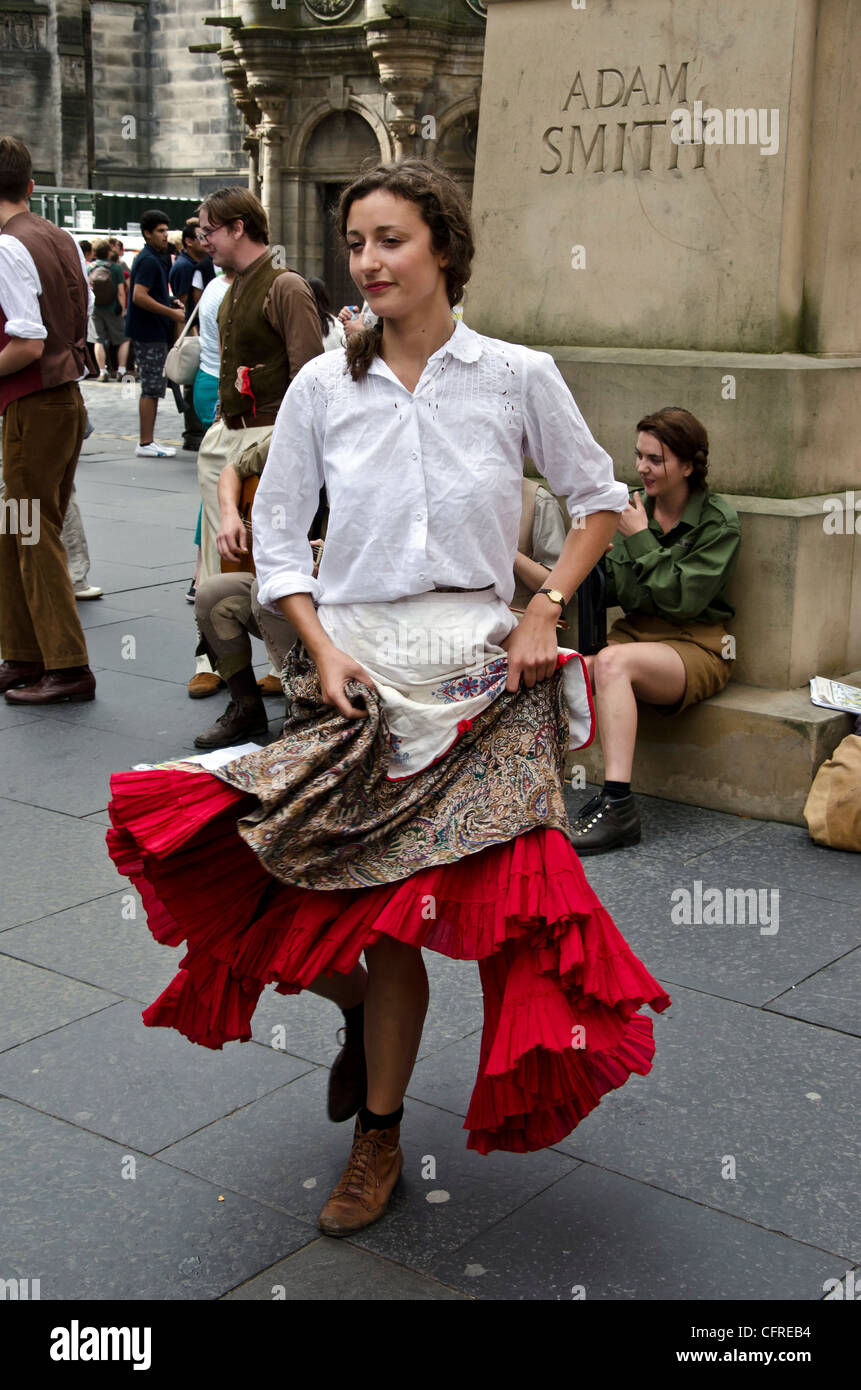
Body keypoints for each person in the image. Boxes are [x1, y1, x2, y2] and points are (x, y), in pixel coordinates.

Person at [106, 158, 670, 1239]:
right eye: (356, 242)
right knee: (280, 894)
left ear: (445, 249)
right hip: (355, 677)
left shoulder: (515, 374)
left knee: (407, 920)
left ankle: (378, 1135)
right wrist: (315, 647)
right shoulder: (325, 383)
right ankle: (363, 1021)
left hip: (479, 681)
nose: (367, 261)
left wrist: (546, 606)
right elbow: (279, 541)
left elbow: (601, 502)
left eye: (390, 240)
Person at [569, 407, 741, 855]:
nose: (642, 468)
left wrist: (640, 538)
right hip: (633, 638)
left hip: (696, 645)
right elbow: (609, 588)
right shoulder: (628, 507)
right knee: (561, 670)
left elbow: (683, 600)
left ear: (688, 465)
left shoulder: (717, 521)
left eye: (656, 459)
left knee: (611, 661)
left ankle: (619, 804)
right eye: (639, 456)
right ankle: (527, 796)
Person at [185, 185, 323, 698]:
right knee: (218, 554)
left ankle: (275, 658)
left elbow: (309, 377)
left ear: (238, 227)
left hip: (268, 435)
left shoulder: (284, 286)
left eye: (210, 231)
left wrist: (283, 444)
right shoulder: (232, 286)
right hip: (231, 433)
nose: (204, 241)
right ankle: (215, 656)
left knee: (268, 550)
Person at [0, 135, 97, 705]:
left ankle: (66, 666)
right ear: (30, 186)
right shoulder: (56, 236)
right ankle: (24, 654)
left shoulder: (8, 245)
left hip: (34, 404)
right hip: (60, 399)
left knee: (31, 532)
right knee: (21, 529)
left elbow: (28, 342)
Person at [124, 209, 185, 458]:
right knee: (151, 387)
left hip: (153, 329)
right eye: (159, 231)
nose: (165, 235)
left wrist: (169, 302)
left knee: (155, 385)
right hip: (148, 331)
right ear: (147, 233)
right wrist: (171, 314)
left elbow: (149, 293)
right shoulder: (149, 259)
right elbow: (139, 296)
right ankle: (145, 442)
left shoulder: (154, 257)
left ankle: (148, 440)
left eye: (165, 230)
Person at [170, 221, 216, 452]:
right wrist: (192, 331)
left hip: (201, 333)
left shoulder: (201, 265)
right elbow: (191, 303)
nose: (206, 241)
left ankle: (196, 433)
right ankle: (194, 432)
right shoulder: (194, 267)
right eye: (201, 236)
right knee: (191, 379)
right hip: (197, 332)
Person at [87, 238, 130, 382]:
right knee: (123, 339)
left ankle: (102, 371)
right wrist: (122, 308)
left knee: (98, 340)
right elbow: (121, 291)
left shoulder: (89, 268)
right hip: (113, 308)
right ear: (108, 251)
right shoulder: (115, 268)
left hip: (95, 308)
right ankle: (121, 370)